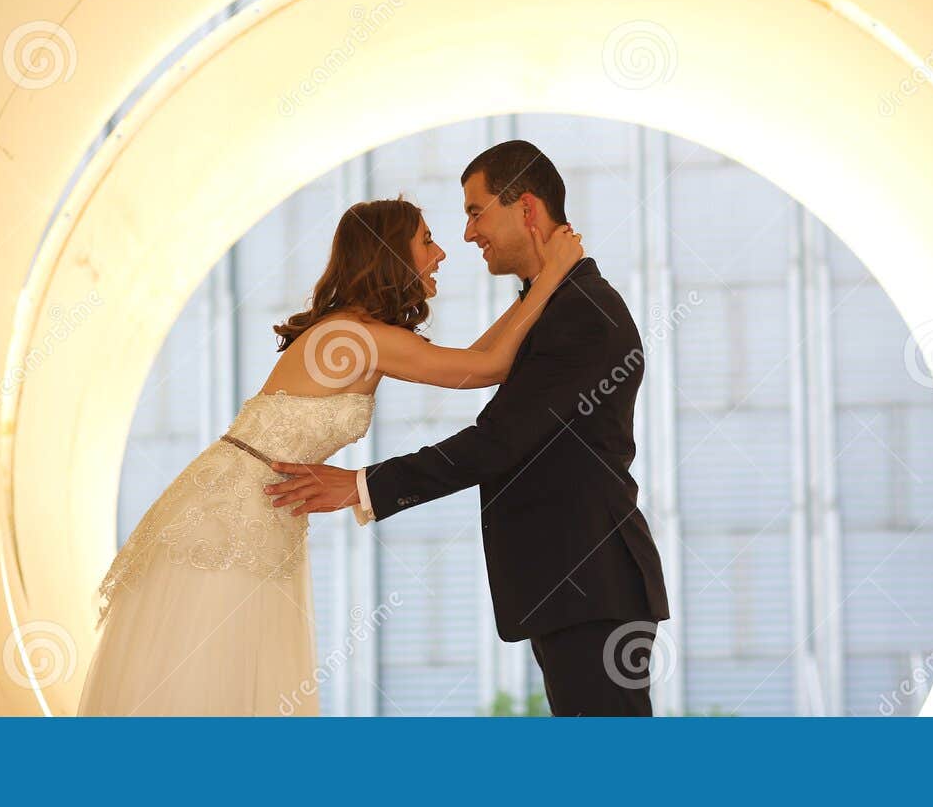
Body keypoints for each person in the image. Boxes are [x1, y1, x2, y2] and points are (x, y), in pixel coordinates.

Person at [76, 194, 583, 715]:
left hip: (256, 504)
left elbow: (478, 359)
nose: (442, 254)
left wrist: (537, 289)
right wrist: (552, 275)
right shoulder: (359, 336)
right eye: (427, 241)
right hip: (230, 518)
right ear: (391, 254)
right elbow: (489, 368)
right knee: (207, 678)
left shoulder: (361, 332)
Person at [269, 141, 671, 715]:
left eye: (475, 212)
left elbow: (499, 442)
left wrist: (360, 485)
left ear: (526, 209)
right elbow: (486, 364)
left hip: (591, 586)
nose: (465, 236)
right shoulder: (560, 304)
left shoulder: (582, 312)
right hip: (578, 587)